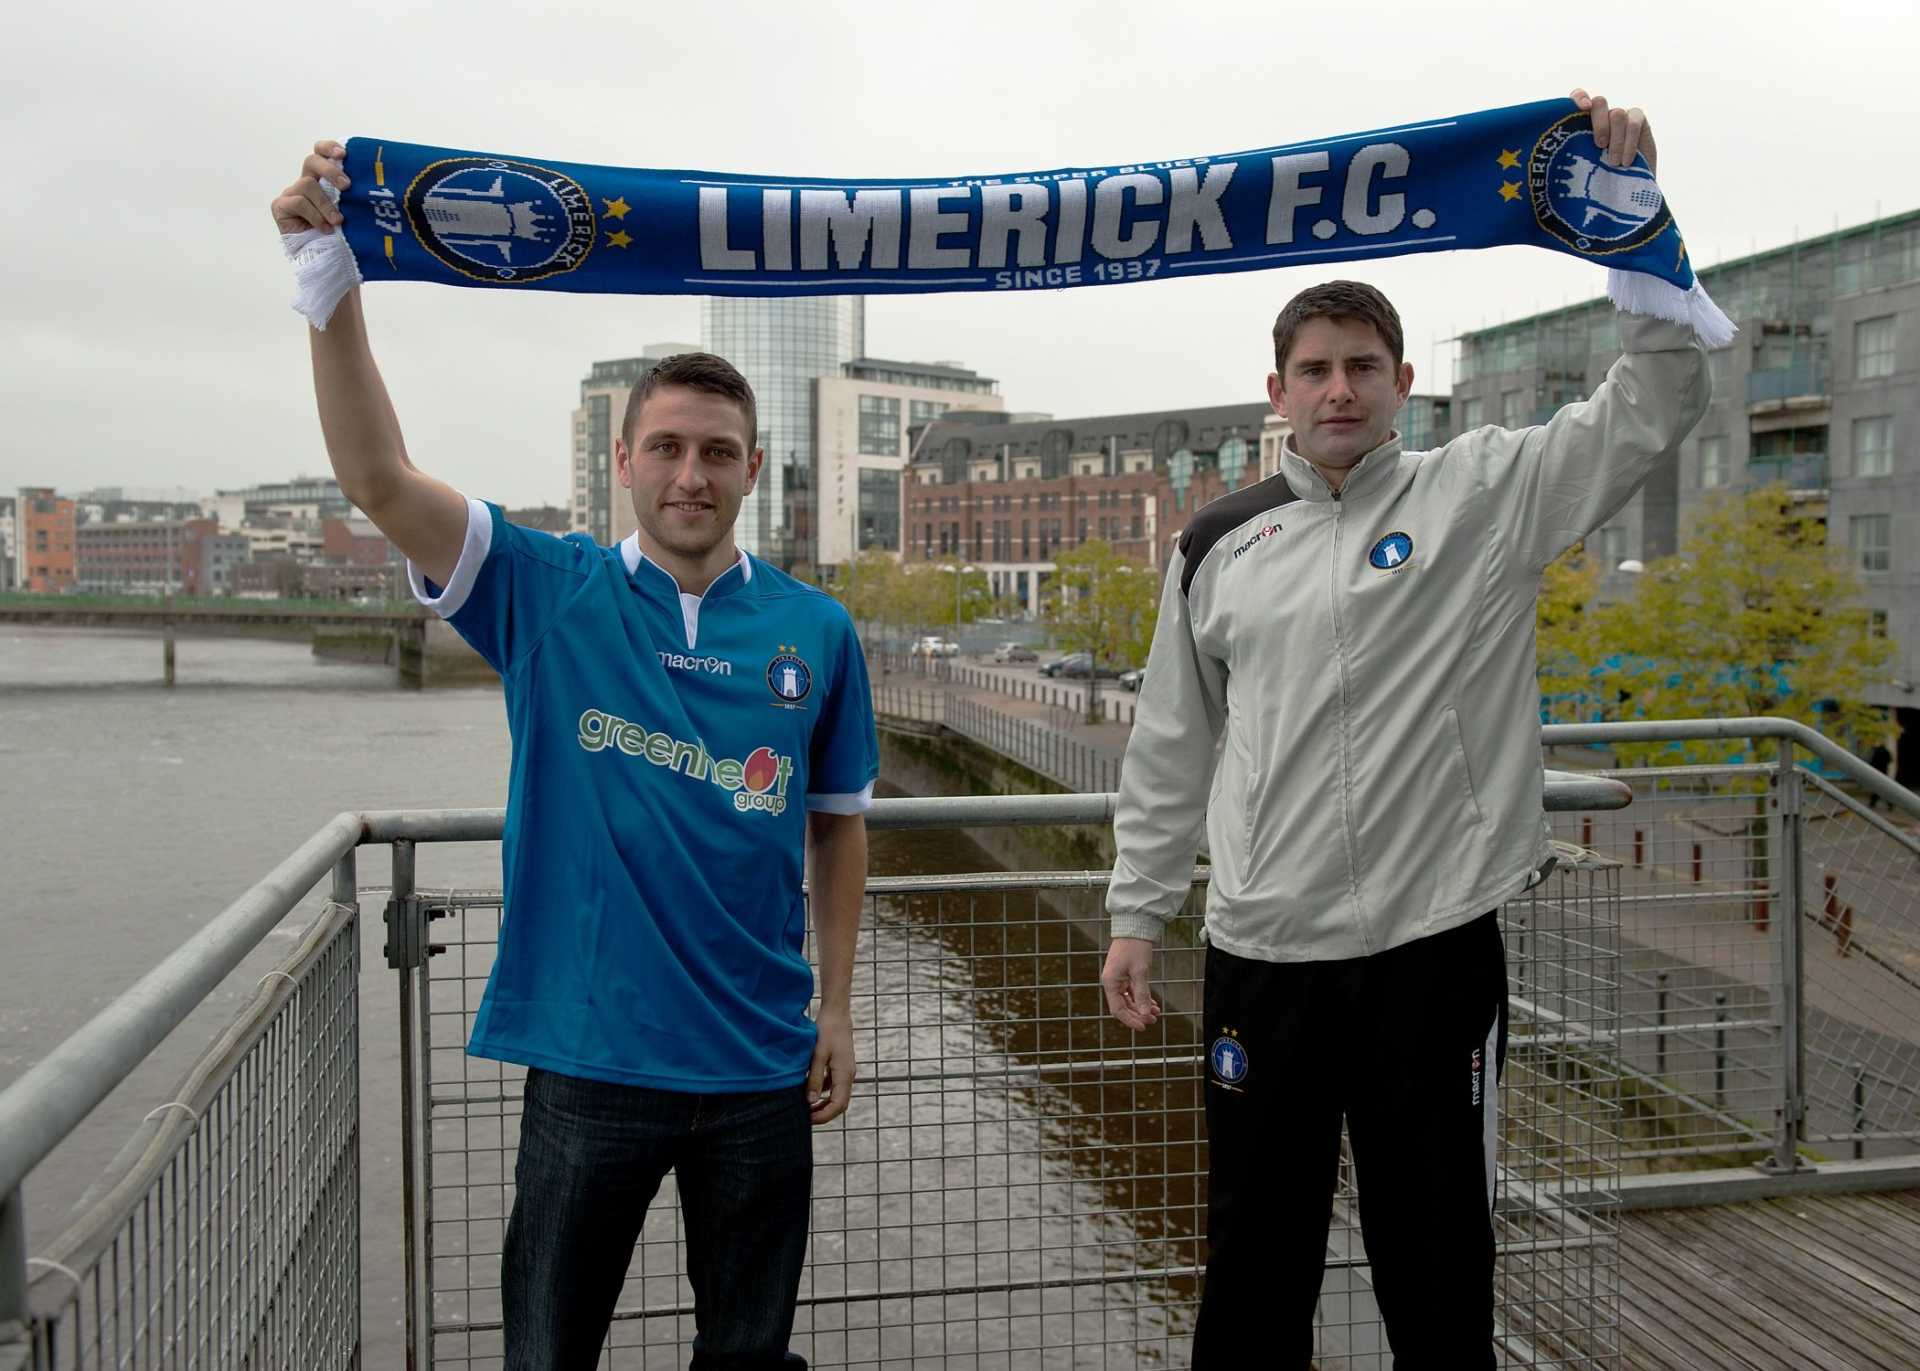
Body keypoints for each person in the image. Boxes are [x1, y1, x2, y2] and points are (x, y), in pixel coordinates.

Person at [1099, 91, 1707, 1368]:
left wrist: (1629, 216)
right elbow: (1172, 745)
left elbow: (1653, 400)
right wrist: (1136, 912)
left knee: (1438, 1268)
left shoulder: (1484, 493)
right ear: (1276, 390)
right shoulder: (1215, 543)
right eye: (1313, 369)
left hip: (1433, 955)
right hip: (1262, 951)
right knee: (1253, 1268)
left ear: (1402, 384)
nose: (1338, 389)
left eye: (1361, 367)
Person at [273, 143, 878, 1371]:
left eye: (717, 452)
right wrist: (329, 282)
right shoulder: (546, 590)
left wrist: (842, 1013)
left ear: (754, 470)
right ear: (623, 460)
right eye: (666, 448)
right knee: (548, 1352)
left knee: (747, 1355)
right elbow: (379, 480)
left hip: (761, 1067)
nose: (691, 474)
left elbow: (837, 820)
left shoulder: (819, 629)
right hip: (589, 1064)